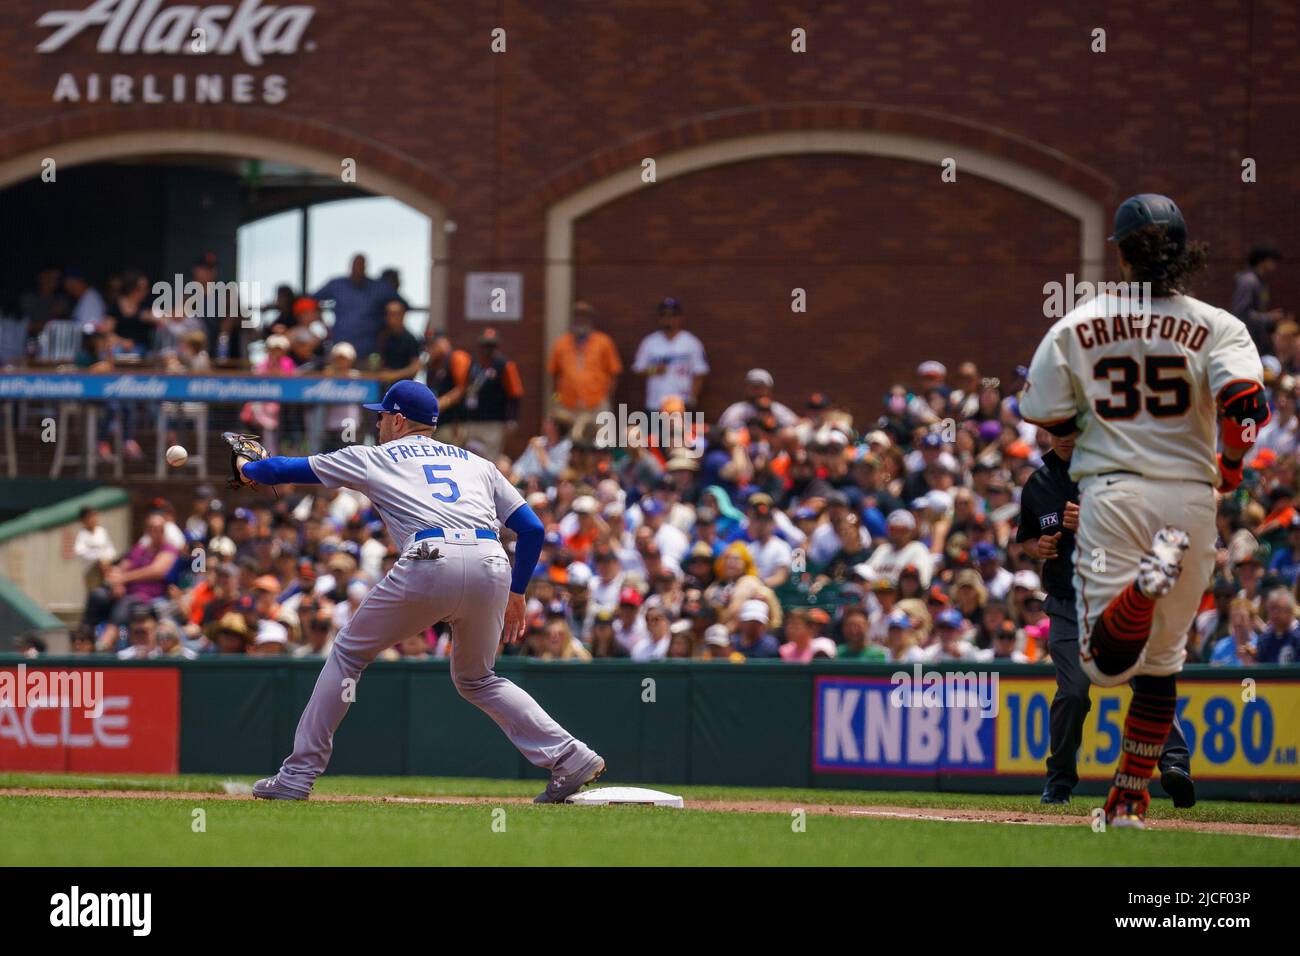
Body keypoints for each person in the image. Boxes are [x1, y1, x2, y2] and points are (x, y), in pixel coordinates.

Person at [1020, 193, 1266, 828]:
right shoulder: (1219, 324)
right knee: (1160, 668)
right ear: (1184, 250)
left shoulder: (1080, 322)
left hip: (1113, 492)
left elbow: (1045, 414)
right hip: (1190, 499)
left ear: (1123, 255)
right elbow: (1244, 404)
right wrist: (1233, 469)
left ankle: (1141, 587)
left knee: (1105, 665)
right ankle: (1128, 795)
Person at [237, 380, 605, 803]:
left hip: (430, 557)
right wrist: (518, 593)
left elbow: (281, 470)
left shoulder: (375, 457)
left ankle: (297, 775)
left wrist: (249, 467)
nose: (377, 424)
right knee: (477, 678)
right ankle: (569, 754)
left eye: (380, 416)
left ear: (396, 419)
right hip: (492, 561)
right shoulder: (476, 462)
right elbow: (533, 529)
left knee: (348, 654)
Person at [1018, 430, 1192, 806]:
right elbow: (1028, 538)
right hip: (1066, 604)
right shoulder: (1038, 482)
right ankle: (1060, 779)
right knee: (1074, 692)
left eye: (1072, 430)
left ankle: (1175, 764)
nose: (1064, 438)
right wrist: (1040, 547)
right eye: (1057, 431)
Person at [632, 297, 709, 411]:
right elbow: (638, 370)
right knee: (653, 429)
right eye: (665, 316)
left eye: (673, 316)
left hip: (682, 403)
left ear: (680, 318)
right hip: (655, 403)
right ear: (660, 318)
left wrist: (692, 398)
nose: (669, 320)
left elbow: (700, 372)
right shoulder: (649, 342)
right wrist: (654, 370)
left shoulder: (691, 342)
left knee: (680, 429)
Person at [313, 254, 395, 360]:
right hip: (341, 347)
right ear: (350, 267)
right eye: (356, 265)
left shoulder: (378, 288)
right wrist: (325, 326)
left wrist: (386, 331)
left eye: (361, 266)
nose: (358, 269)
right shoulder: (337, 285)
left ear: (366, 267)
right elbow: (311, 301)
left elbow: (400, 305)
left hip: (369, 349)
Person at [548, 301, 623, 415]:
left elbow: (614, 373)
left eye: (584, 316)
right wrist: (556, 400)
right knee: (566, 433)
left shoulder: (604, 342)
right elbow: (554, 375)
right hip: (567, 407)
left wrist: (606, 399)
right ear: (572, 319)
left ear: (590, 319)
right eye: (577, 316)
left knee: (599, 433)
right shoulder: (561, 343)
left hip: (596, 405)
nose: (580, 319)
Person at [1229, 244, 1284, 357]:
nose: (1275, 264)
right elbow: (1241, 314)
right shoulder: (1248, 281)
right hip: (1247, 342)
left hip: (1257, 341)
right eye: (1272, 259)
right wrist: (1269, 317)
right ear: (1263, 260)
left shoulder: (1259, 282)